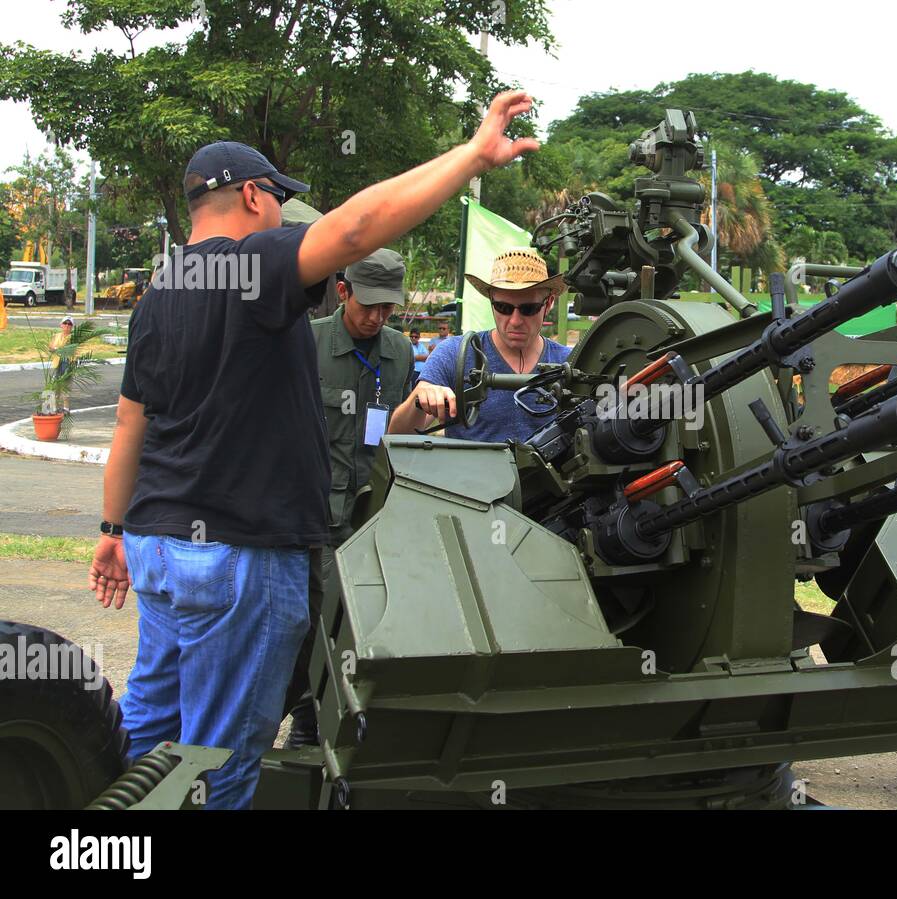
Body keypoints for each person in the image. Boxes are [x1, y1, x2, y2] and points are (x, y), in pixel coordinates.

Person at [87, 90, 539, 808]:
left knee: (152, 742)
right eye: (279, 202)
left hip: (158, 545)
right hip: (239, 555)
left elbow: (129, 428)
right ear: (255, 196)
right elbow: (357, 229)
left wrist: (112, 533)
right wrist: (472, 155)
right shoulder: (254, 264)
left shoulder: (157, 294)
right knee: (218, 764)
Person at [282, 248, 414, 747]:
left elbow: (398, 434)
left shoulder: (399, 352)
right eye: (369, 306)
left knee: (370, 624)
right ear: (342, 292)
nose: (378, 317)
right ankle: (307, 719)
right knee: (313, 625)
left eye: (387, 308)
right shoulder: (306, 343)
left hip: (375, 515)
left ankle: (359, 719)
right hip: (315, 517)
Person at [389, 248, 569, 441]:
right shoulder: (455, 354)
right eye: (503, 307)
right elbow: (398, 435)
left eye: (528, 309)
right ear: (491, 301)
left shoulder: (569, 362)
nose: (515, 321)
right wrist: (420, 398)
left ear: (548, 303)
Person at [48, 316, 75, 412]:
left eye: (69, 324)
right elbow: (50, 347)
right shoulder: (56, 336)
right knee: (55, 386)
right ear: (61, 325)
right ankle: (54, 408)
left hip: (68, 363)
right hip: (57, 363)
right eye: (65, 323)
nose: (67, 325)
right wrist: (56, 349)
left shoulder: (73, 337)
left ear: (72, 326)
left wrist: (58, 349)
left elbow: (70, 349)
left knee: (66, 387)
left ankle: (66, 408)